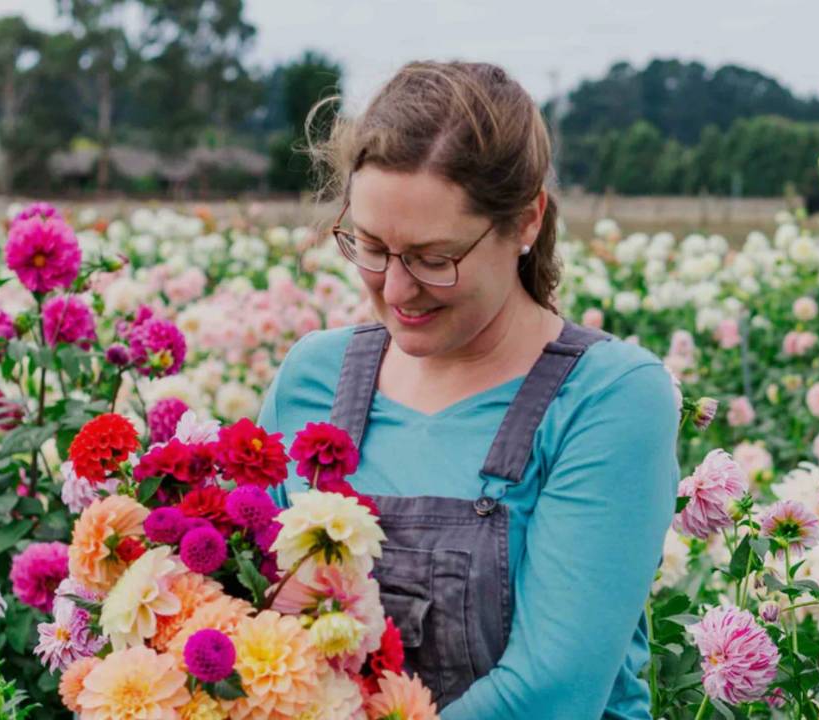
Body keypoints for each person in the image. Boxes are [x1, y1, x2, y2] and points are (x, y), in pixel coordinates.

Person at [257, 60, 680, 719]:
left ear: (528, 221)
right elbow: (243, 606)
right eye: (369, 247)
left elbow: (551, 691)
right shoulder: (314, 378)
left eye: (435, 258)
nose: (395, 290)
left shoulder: (606, 400)